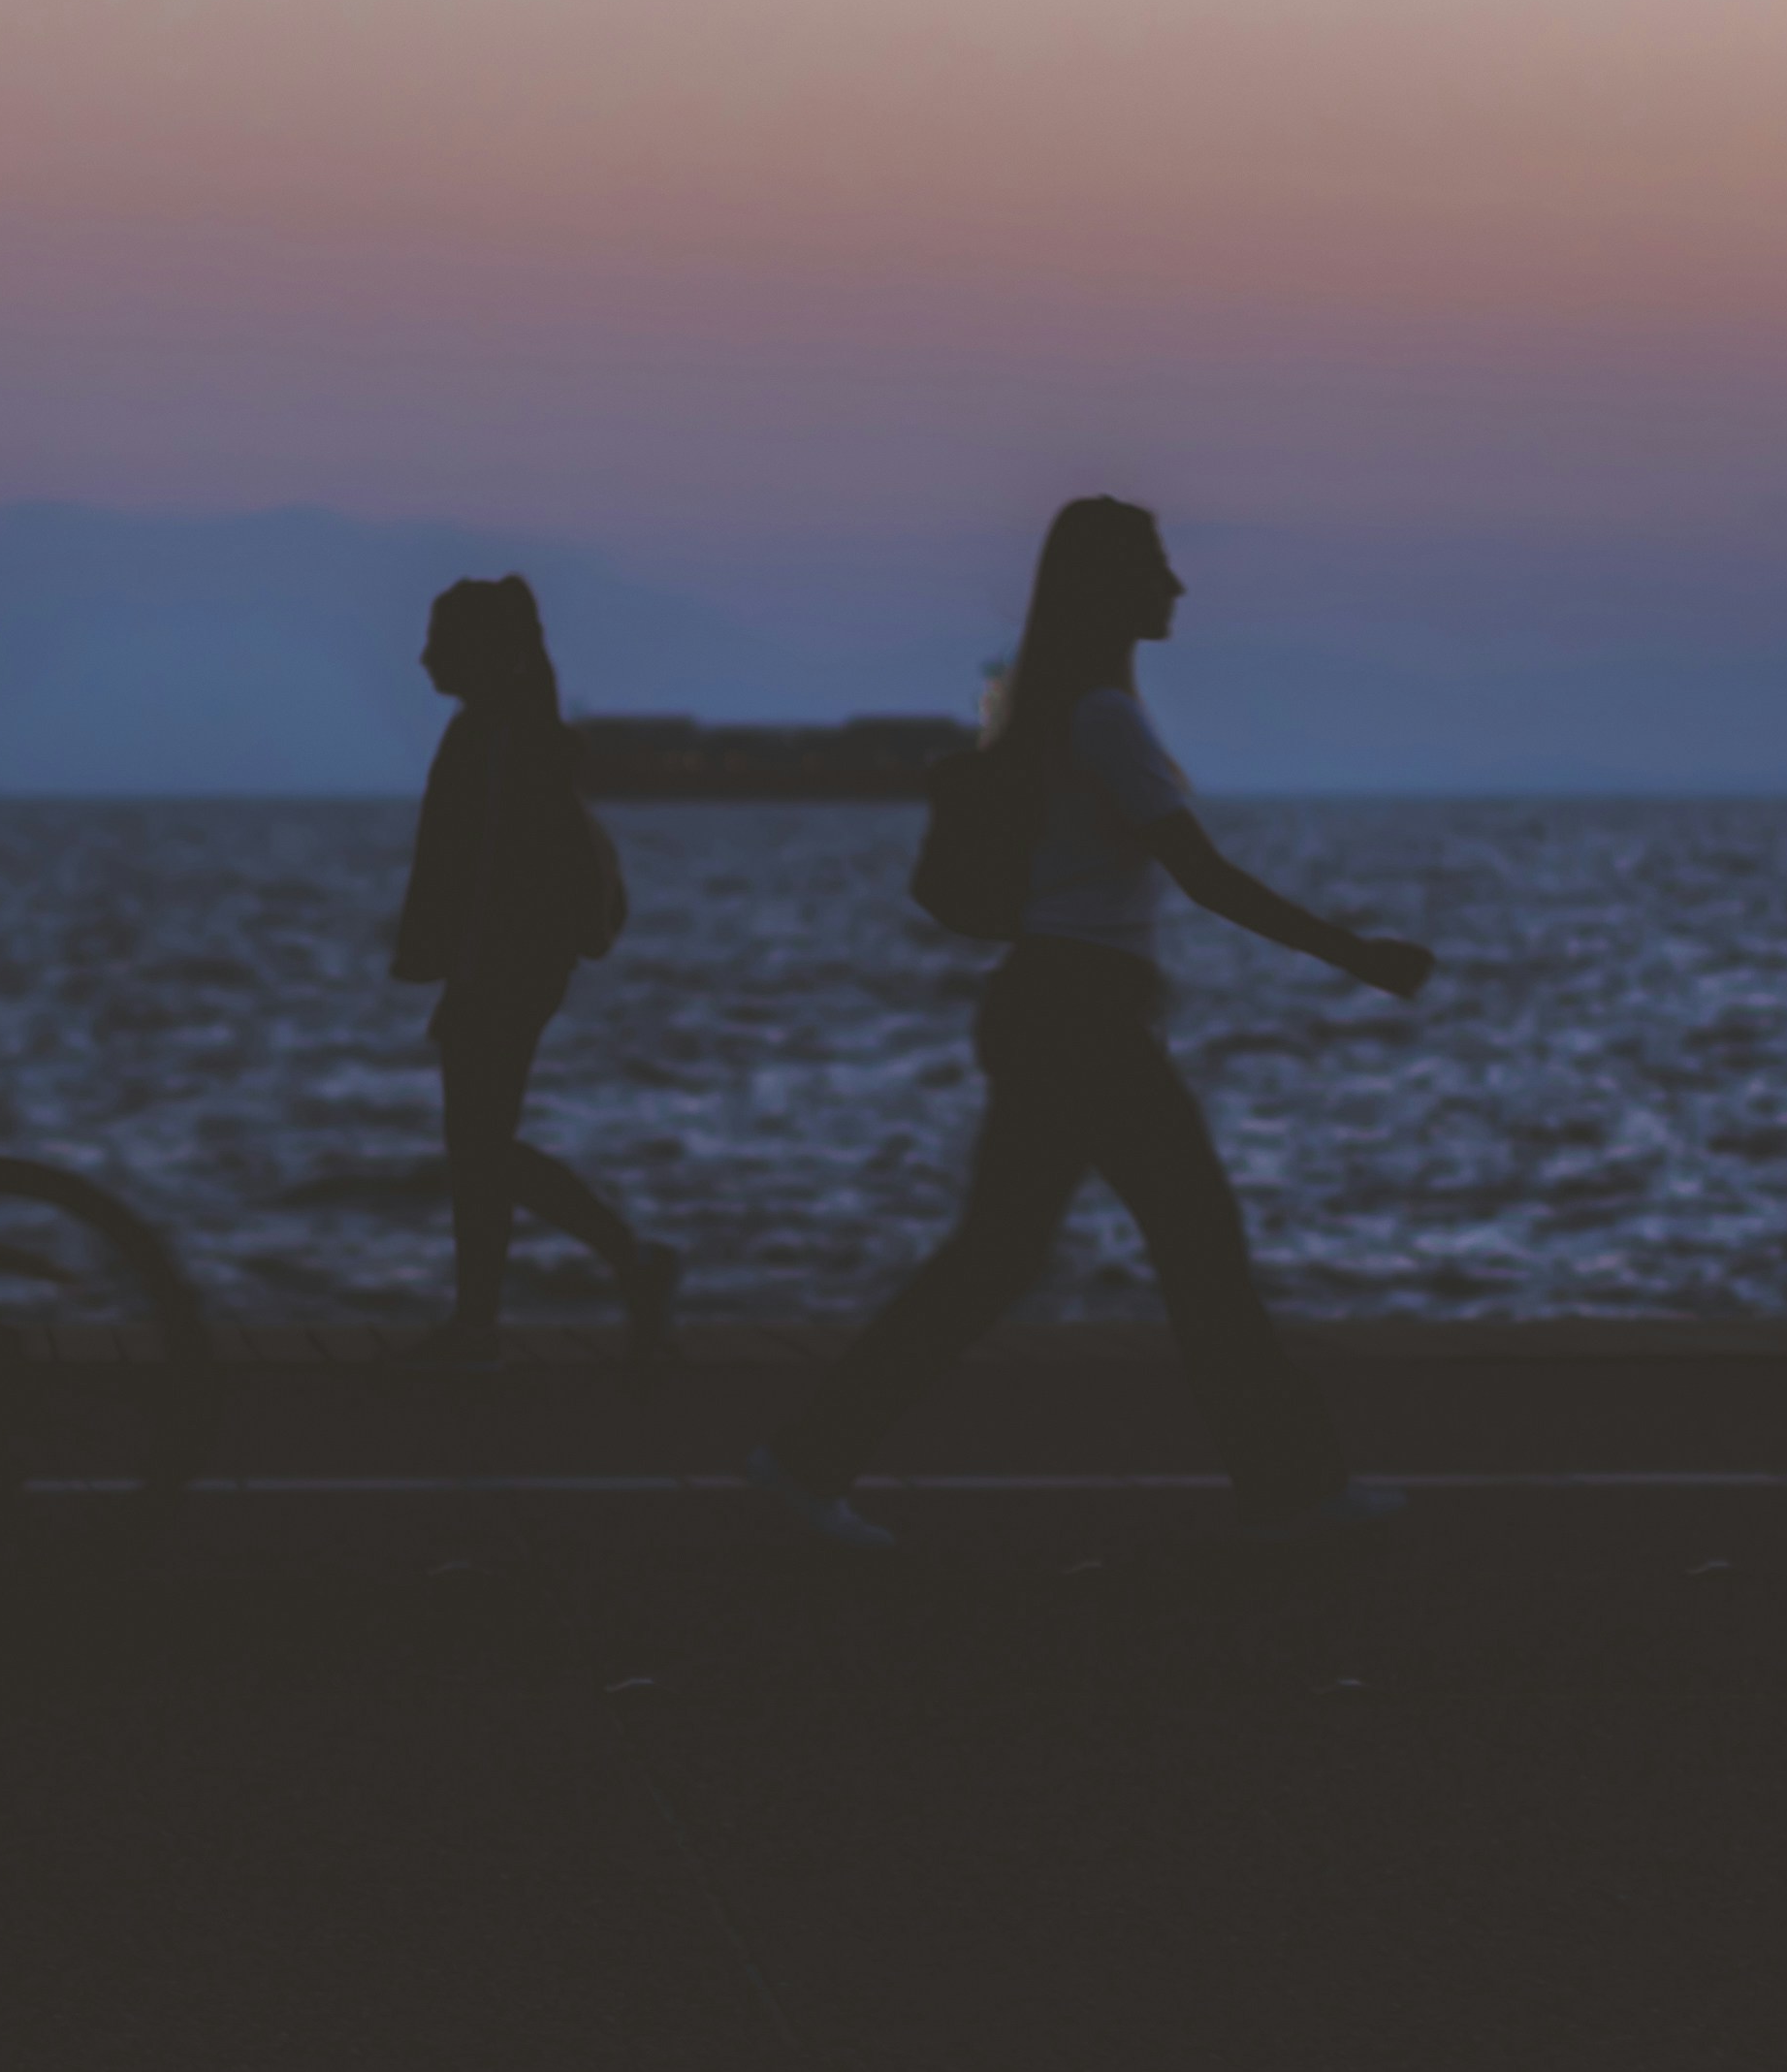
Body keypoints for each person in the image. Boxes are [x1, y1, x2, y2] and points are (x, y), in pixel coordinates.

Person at [738, 496, 1432, 1551]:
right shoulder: (1102, 715)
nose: (1178, 587)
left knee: (998, 1261)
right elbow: (1199, 875)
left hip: (1048, 1006)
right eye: (1157, 566)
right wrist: (1360, 957)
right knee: (1196, 1252)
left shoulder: (1052, 706)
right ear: (1110, 583)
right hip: (1081, 1019)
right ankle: (1293, 1491)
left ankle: (807, 1460)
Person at [390, 575, 678, 1362]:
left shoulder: (501, 740)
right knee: (478, 1145)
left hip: (504, 964)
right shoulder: (494, 731)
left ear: (478, 651)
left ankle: (627, 1262)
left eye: (438, 642)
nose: (421, 658)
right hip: (502, 961)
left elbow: (483, 868)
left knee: (479, 1144)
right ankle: (480, 1316)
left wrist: (457, 965)